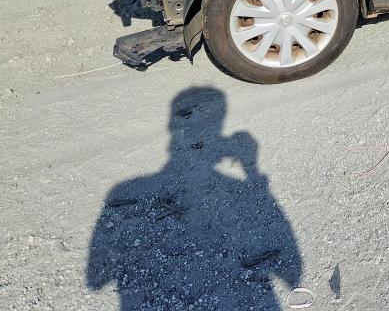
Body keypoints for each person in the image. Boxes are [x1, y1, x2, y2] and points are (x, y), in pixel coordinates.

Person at [86, 87, 301, 310]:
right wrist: (252, 170)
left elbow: (95, 280)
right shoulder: (235, 186)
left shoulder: (122, 189)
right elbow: (292, 273)